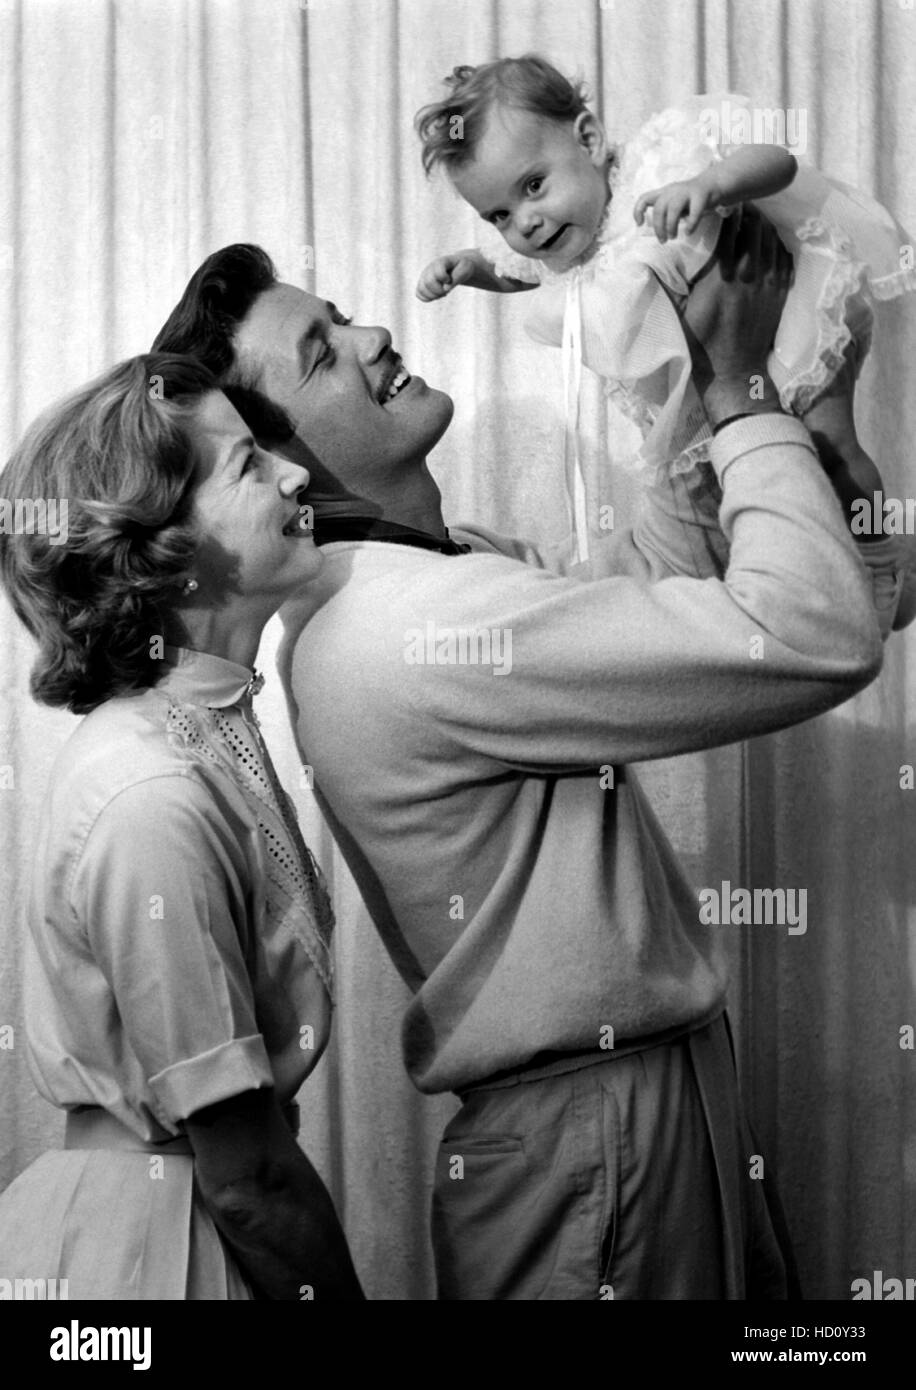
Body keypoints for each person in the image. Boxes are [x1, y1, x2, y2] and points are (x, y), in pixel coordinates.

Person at [152, 217, 881, 1299]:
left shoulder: (439, 576)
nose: (374, 336)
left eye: (342, 317)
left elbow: (655, 580)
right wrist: (741, 388)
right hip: (598, 1135)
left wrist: (678, 374)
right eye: (322, 353)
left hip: (627, 1108)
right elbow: (813, 629)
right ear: (285, 463)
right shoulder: (410, 628)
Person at [0, 353, 363, 1300]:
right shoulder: (151, 789)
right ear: (155, 544)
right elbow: (248, 1181)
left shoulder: (200, 736)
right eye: (249, 464)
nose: (296, 474)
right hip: (156, 1249)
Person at [415, 55, 916, 627]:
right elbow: (515, 272)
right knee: (739, 480)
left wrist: (710, 183)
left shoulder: (660, 164)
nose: (524, 223)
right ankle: (798, 580)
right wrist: (468, 268)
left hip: (792, 323)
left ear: (589, 139)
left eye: (534, 186)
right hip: (718, 380)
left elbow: (776, 160)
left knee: (831, 446)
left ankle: (882, 556)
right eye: (499, 215)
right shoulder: (565, 249)